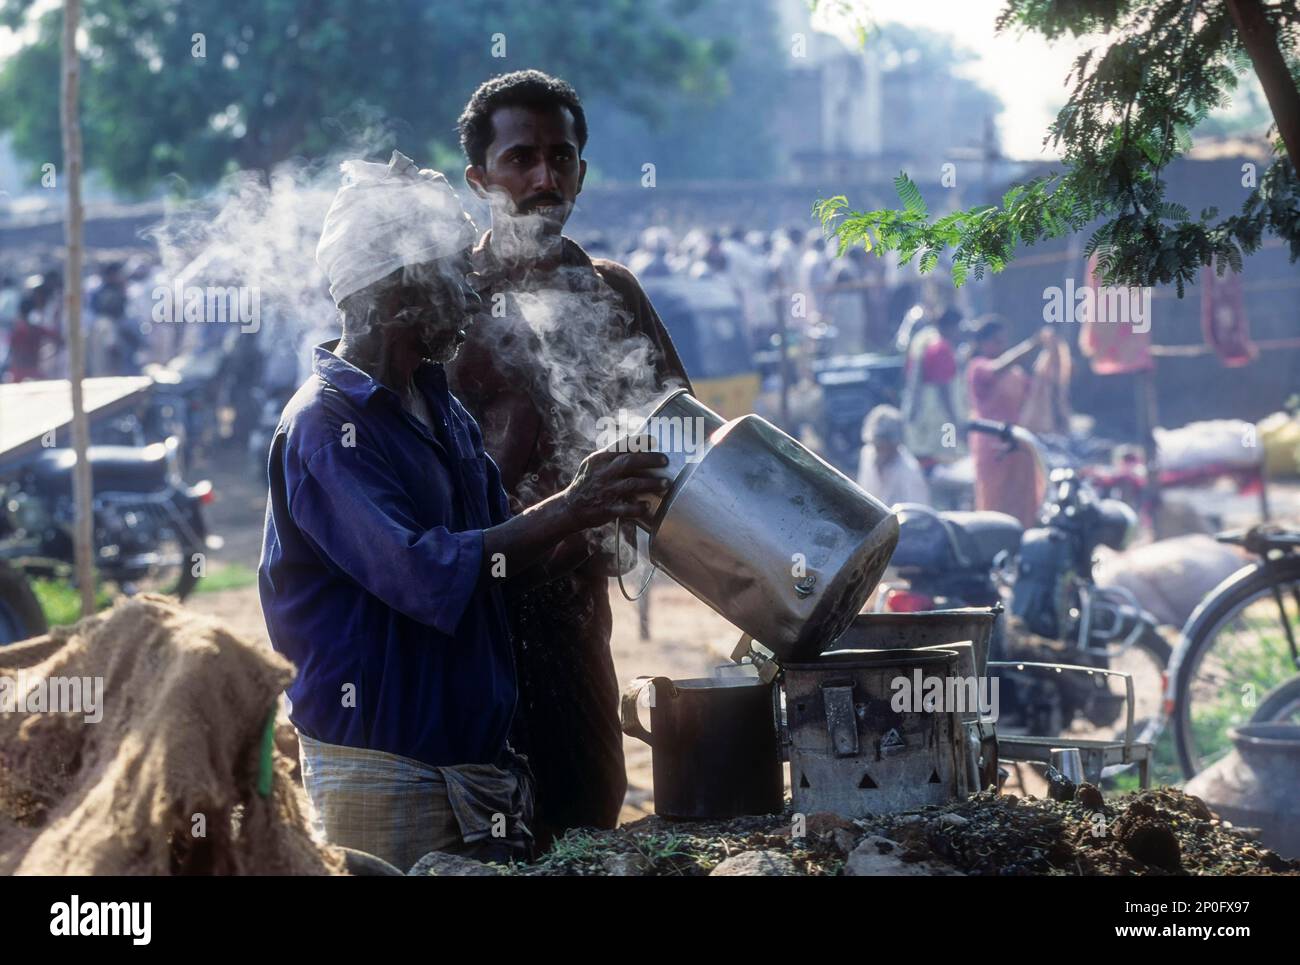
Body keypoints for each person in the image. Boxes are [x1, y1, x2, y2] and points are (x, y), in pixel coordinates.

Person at [258, 151, 670, 871]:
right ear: (397, 296)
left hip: (476, 773)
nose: (476, 300)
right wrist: (569, 504)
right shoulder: (326, 427)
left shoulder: (438, 407)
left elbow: (497, 561)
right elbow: (422, 572)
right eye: (455, 276)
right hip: (383, 780)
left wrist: (587, 517)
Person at [449, 70, 691, 847]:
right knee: (484, 834)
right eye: (521, 159)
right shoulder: (441, 304)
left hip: (577, 618)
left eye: (562, 157)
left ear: (582, 172)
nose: (544, 179)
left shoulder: (612, 292)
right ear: (480, 178)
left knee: (587, 814)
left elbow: (682, 438)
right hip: (467, 625)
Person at [965, 315, 1054, 526]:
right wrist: (1032, 345)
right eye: (996, 341)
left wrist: (1052, 359)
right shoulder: (978, 367)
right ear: (982, 343)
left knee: (1022, 496)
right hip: (992, 444)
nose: (1002, 346)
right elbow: (997, 368)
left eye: (1004, 341)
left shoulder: (1016, 373)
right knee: (995, 498)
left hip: (1017, 441)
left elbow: (1034, 395)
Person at [901, 307, 964, 467]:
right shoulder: (941, 347)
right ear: (951, 326)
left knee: (925, 449)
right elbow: (944, 387)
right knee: (946, 452)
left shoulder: (922, 339)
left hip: (920, 404)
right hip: (938, 410)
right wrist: (954, 418)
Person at [856, 404, 930, 507]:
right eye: (876, 445)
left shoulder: (910, 471)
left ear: (895, 444)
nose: (878, 452)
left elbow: (916, 513)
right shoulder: (867, 454)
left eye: (882, 446)